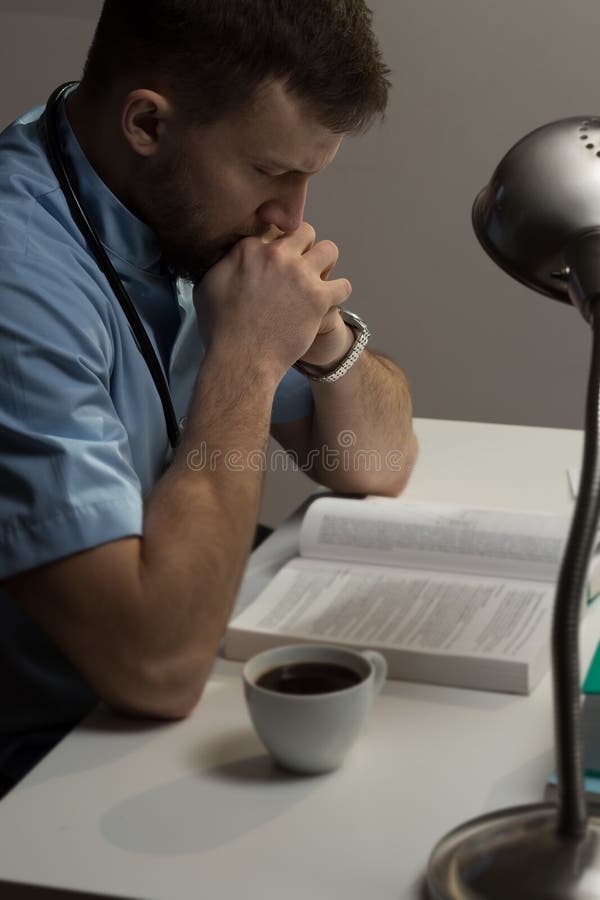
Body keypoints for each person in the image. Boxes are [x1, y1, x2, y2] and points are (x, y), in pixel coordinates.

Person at [0, 0, 418, 796]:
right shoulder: (19, 280)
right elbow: (154, 668)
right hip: (52, 749)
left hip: (179, 659)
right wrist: (250, 361)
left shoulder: (176, 213)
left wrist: (322, 334)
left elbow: (378, 461)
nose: (289, 216)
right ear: (147, 125)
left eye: (309, 177)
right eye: (269, 171)